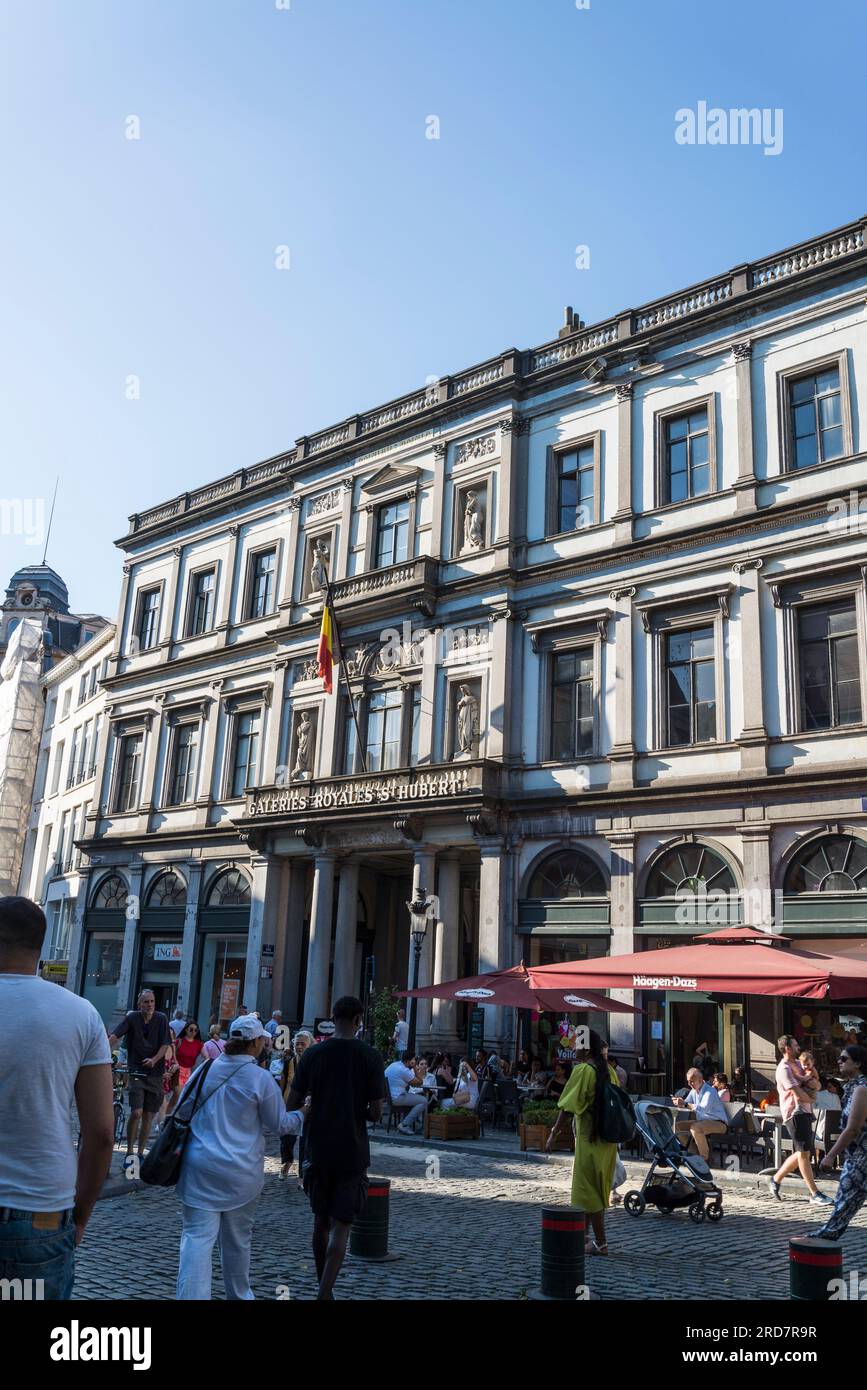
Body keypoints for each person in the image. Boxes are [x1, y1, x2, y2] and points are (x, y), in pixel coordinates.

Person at [0, 896, 114, 1299]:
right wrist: (80, 1215)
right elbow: (101, 1132)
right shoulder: (81, 1014)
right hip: (42, 1209)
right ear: (41, 947)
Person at [176, 1014, 306, 1299]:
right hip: (240, 1173)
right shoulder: (259, 1079)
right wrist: (303, 1113)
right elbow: (280, 1125)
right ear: (257, 1042)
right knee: (237, 1242)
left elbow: (181, 1110)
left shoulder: (204, 1069)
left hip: (198, 1168)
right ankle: (239, 1296)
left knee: (196, 1240)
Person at [288, 996, 386, 1301]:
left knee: (320, 1220)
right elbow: (377, 1112)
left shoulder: (313, 1054)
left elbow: (292, 1103)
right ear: (358, 1021)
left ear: (333, 1017)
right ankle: (324, 1293)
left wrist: (312, 1105)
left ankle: (323, 1288)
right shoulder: (368, 1055)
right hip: (352, 1148)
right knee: (343, 1224)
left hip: (317, 1146)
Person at [546, 1029, 620, 1255]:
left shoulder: (582, 1071)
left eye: (576, 1044)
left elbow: (567, 1107)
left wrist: (554, 1134)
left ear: (586, 1048)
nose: (572, 1048)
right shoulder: (608, 1070)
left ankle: (601, 1243)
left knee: (588, 1191)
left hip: (589, 1138)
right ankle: (584, 1238)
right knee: (595, 1188)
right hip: (607, 1140)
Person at [108, 989, 173, 1173]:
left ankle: (140, 1152)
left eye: (152, 1001)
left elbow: (165, 1044)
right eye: (146, 1002)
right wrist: (101, 1049)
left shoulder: (161, 1019)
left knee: (148, 1116)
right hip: (136, 1071)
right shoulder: (132, 1018)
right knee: (136, 1112)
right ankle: (129, 1152)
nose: (150, 1005)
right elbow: (116, 1035)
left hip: (155, 1073)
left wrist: (154, 1060)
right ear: (139, 1004)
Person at [768, 1034, 832, 1207]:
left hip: (805, 1111)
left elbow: (816, 1083)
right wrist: (812, 1099)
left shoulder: (797, 1064)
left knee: (801, 1152)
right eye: (795, 1044)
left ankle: (775, 1179)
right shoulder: (783, 1069)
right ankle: (814, 1193)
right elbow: (798, 1093)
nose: (798, 1047)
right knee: (804, 1153)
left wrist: (815, 1085)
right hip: (794, 1113)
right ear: (787, 1048)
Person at [815, 1045, 867, 1240]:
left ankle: (824, 1239)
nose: (839, 1061)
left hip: (861, 1157)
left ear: (858, 1063)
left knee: (844, 1201)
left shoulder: (862, 1089)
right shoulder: (854, 1088)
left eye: (844, 1059)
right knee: (845, 1203)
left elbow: (853, 1129)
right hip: (857, 1155)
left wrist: (829, 1155)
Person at [671, 1067, 728, 1161]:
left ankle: (704, 1158)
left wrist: (685, 1104)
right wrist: (678, 1102)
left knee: (695, 1127)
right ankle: (693, 1154)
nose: (689, 1084)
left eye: (692, 1081)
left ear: (700, 1080)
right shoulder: (694, 1091)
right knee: (676, 1127)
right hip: (702, 1121)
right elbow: (686, 1104)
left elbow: (703, 1109)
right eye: (688, 1081)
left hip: (719, 1123)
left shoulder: (710, 1091)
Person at [280, 1029, 314, 1181]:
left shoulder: (314, 1063)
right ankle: (287, 1162)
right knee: (287, 1137)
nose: (299, 1047)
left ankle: (302, 1173)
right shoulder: (289, 1063)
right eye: (297, 1044)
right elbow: (282, 1083)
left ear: (309, 1045)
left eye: (303, 1044)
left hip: (307, 1106)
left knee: (305, 1141)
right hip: (290, 1104)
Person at [384, 1055, 428, 1133]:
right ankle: (404, 1125)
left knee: (414, 1098)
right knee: (424, 1101)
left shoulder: (394, 1064)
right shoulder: (404, 1070)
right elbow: (420, 1082)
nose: (415, 1062)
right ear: (409, 1061)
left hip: (390, 1097)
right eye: (414, 1060)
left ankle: (409, 1124)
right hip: (398, 1097)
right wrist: (414, 1067)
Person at [174, 1020, 205, 1092]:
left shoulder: (198, 1044)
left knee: (180, 1096)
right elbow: (172, 1055)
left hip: (189, 1072)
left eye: (196, 1030)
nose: (193, 1032)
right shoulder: (179, 1041)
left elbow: (207, 1057)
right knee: (178, 1094)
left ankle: (170, 1104)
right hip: (177, 1071)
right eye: (191, 1029)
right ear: (186, 1030)